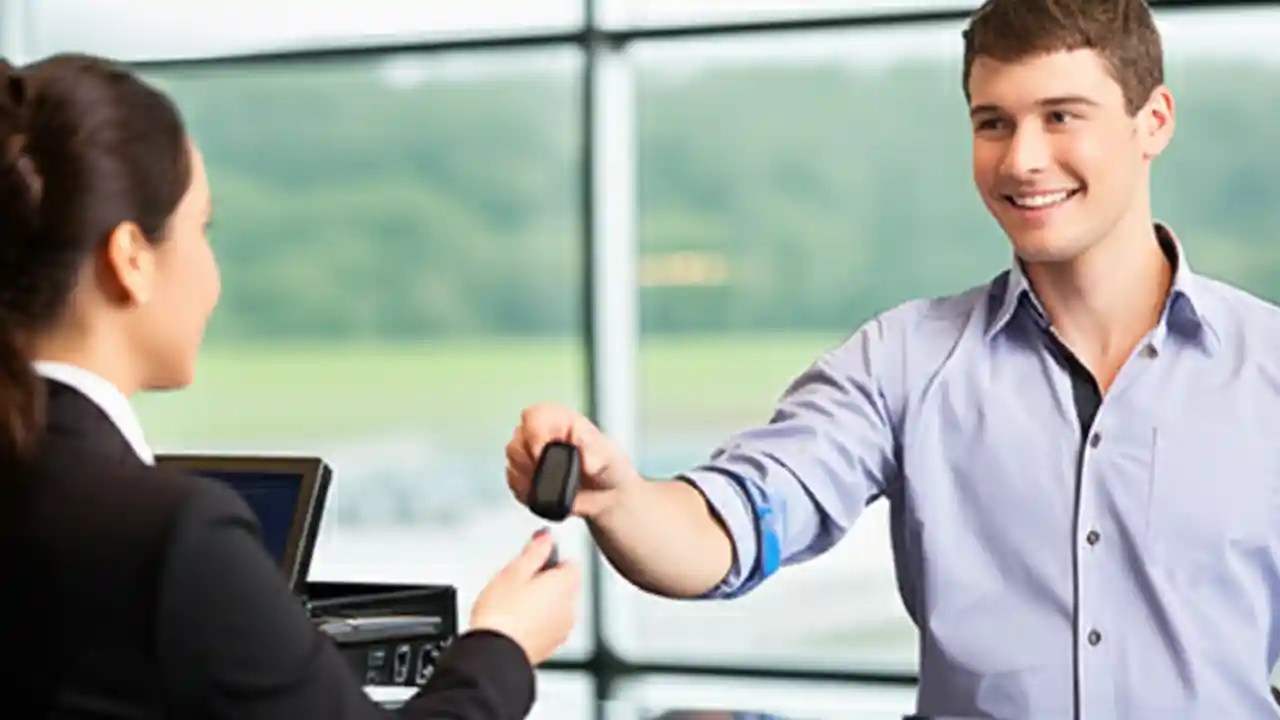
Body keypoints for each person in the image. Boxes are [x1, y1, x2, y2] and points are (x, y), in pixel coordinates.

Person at [507, 1, 1280, 718]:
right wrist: (619, 497)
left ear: (1154, 122)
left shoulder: (1268, 369)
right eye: (993, 124)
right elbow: (726, 530)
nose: (1022, 160)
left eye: (1061, 116)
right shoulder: (901, 362)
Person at [0, 53, 581, 719]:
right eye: (201, 228)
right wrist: (502, 645)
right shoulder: (171, 533)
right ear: (130, 259)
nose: (212, 272)